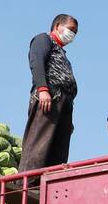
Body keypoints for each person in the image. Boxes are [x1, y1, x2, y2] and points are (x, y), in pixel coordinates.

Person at [20, 14, 79, 171]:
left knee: (58, 148)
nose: (72, 35)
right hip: (50, 96)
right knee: (39, 143)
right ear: (57, 25)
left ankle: (49, 183)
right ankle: (28, 182)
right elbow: (37, 61)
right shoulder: (43, 39)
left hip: (65, 103)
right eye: (71, 29)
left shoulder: (62, 53)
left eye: (75, 33)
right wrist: (43, 89)